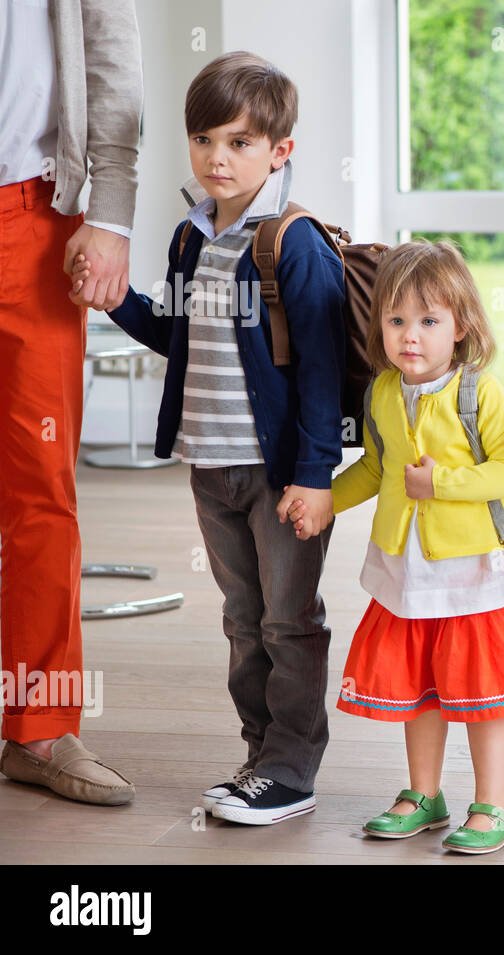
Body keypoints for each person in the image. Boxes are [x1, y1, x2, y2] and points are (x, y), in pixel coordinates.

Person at [82, 51, 346, 825]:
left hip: (278, 473)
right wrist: (114, 300)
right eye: (204, 141)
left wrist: (317, 475)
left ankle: (292, 768)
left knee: (289, 619)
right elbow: (182, 335)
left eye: (238, 142)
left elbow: (323, 373)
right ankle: (260, 753)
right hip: (210, 465)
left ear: (280, 151)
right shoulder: (192, 237)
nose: (217, 158)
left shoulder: (291, 244)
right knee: (242, 618)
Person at [286, 240, 504, 854]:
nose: (410, 336)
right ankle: (424, 795)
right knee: (420, 692)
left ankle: (493, 806)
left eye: (429, 321)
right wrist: (324, 499)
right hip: (406, 573)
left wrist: (443, 483)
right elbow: (376, 469)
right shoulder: (381, 393)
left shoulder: (479, 394)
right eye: (396, 320)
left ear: (461, 327)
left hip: (469, 573)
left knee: (480, 699)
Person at [0, 0, 142, 805]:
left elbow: (111, 53)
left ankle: (40, 728)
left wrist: (112, 212)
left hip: (32, 215)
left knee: (40, 490)